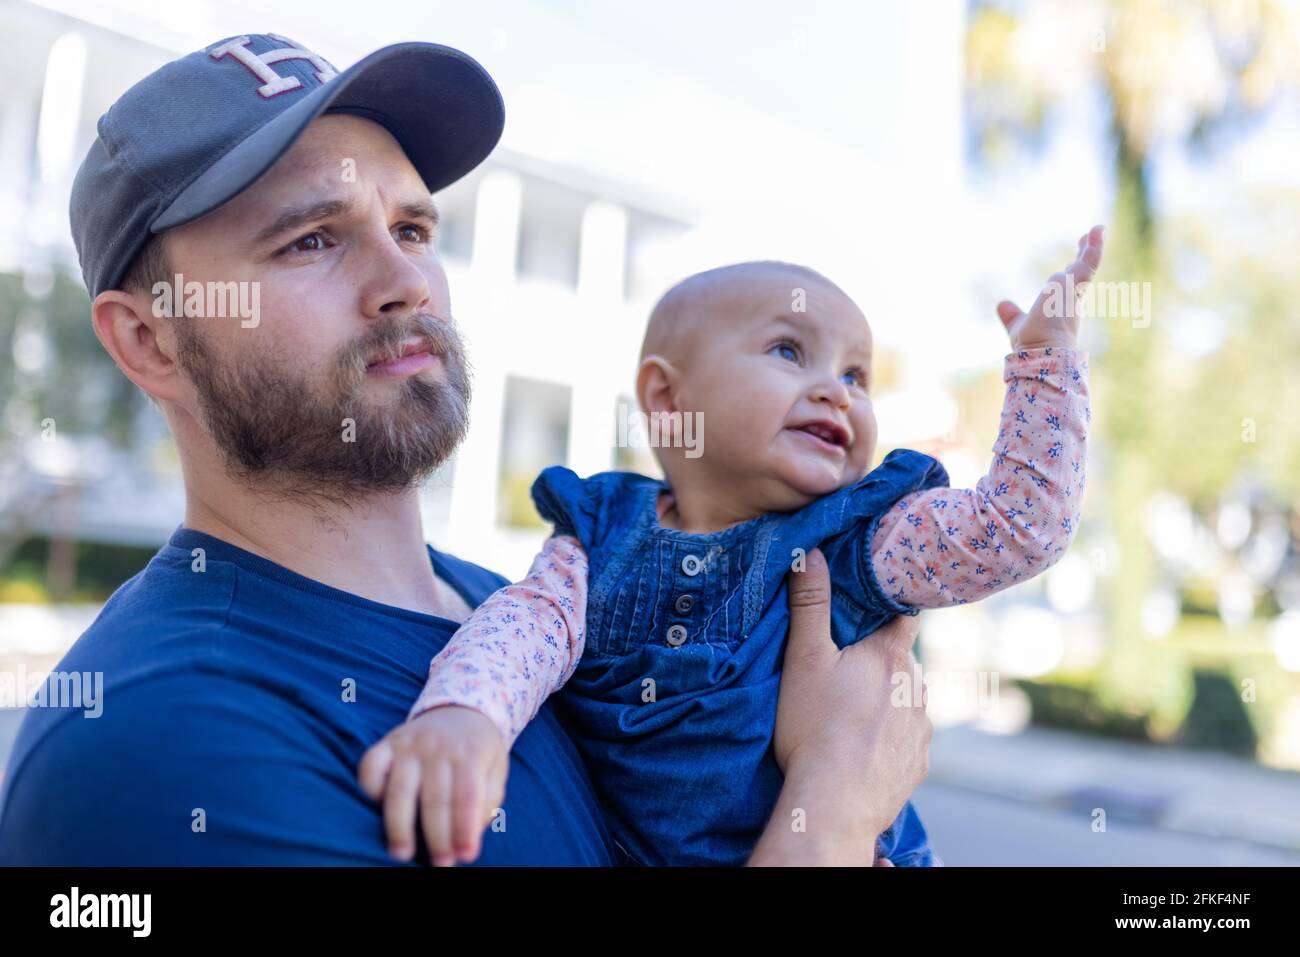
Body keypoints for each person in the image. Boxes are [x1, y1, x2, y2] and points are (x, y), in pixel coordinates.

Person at [0, 33, 932, 866]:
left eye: (411, 229)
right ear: (149, 341)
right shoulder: (159, 739)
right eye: (310, 240)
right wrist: (836, 807)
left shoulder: (528, 619)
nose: (405, 280)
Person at [370, 243, 1102, 866]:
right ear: (667, 396)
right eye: (790, 350)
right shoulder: (600, 532)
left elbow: (1014, 528)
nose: (837, 393)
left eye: (856, 375)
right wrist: (466, 713)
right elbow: (526, 626)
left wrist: (1043, 362)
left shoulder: (860, 538)